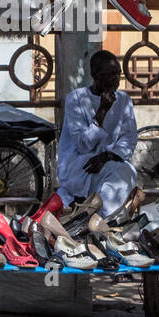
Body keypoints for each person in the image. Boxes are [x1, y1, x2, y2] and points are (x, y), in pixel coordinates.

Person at [44, 49, 138, 217]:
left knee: (125, 173)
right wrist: (102, 111)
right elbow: (82, 144)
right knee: (120, 176)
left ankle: (102, 219)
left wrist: (107, 156)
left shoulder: (124, 100)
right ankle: (107, 221)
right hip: (80, 164)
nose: (116, 79)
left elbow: (129, 139)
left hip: (110, 161)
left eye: (118, 74)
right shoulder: (76, 99)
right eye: (110, 74)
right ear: (95, 75)